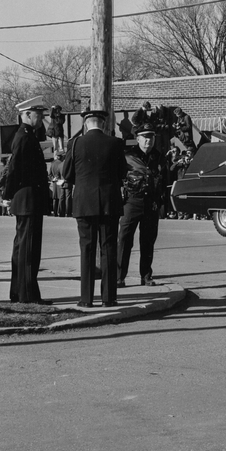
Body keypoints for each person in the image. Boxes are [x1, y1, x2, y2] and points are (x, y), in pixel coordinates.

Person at [62, 109, 126, 308]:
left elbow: (67, 173)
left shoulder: (75, 144)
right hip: (109, 202)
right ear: (103, 124)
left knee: (87, 249)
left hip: (84, 203)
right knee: (108, 248)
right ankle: (109, 297)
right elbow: (122, 172)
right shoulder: (115, 143)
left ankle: (86, 298)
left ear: (86, 124)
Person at [3, 97, 53, 305]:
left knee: (24, 248)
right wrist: (8, 194)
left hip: (29, 198)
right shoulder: (24, 137)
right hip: (27, 198)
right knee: (28, 248)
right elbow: (15, 169)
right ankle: (27, 294)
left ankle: (21, 292)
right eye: (38, 114)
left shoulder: (27, 135)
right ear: (26, 115)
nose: (41, 118)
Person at [117, 122, 166, 288]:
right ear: (137, 139)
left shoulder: (159, 157)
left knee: (148, 242)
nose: (148, 141)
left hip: (150, 204)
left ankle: (146, 276)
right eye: (145, 138)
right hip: (132, 202)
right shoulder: (128, 157)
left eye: (151, 137)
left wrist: (159, 203)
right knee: (124, 240)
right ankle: (119, 277)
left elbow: (164, 181)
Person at [49, 149, 69, 217]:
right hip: (62, 182)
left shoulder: (53, 163)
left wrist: (53, 179)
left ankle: (55, 212)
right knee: (62, 198)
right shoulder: (63, 164)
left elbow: (50, 174)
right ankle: (61, 212)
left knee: (55, 198)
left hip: (55, 183)